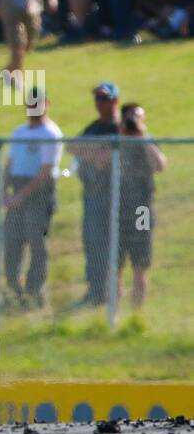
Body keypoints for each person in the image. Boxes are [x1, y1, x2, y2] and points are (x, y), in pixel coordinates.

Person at [2, 88, 63, 309]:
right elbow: (10, 163)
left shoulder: (51, 134)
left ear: (47, 104)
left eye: (39, 102)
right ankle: (13, 293)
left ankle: (34, 292)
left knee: (37, 244)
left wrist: (20, 196)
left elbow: (46, 171)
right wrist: (4, 189)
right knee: (11, 244)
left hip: (39, 193)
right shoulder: (19, 132)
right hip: (17, 187)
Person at [67, 82, 123, 307]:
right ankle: (94, 292)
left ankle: (110, 296)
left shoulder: (119, 127)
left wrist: (90, 152)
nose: (99, 103)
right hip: (90, 194)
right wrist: (94, 151)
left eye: (104, 99)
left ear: (115, 101)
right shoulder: (94, 127)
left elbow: (105, 160)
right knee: (91, 245)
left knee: (110, 246)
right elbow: (71, 147)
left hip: (112, 196)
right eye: (97, 99)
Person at [117, 103, 166, 308]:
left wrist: (142, 139)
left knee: (140, 262)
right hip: (118, 208)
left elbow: (160, 165)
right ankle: (114, 312)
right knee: (114, 264)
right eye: (130, 118)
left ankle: (137, 314)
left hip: (141, 209)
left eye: (137, 118)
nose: (133, 122)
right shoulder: (114, 142)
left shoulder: (147, 141)